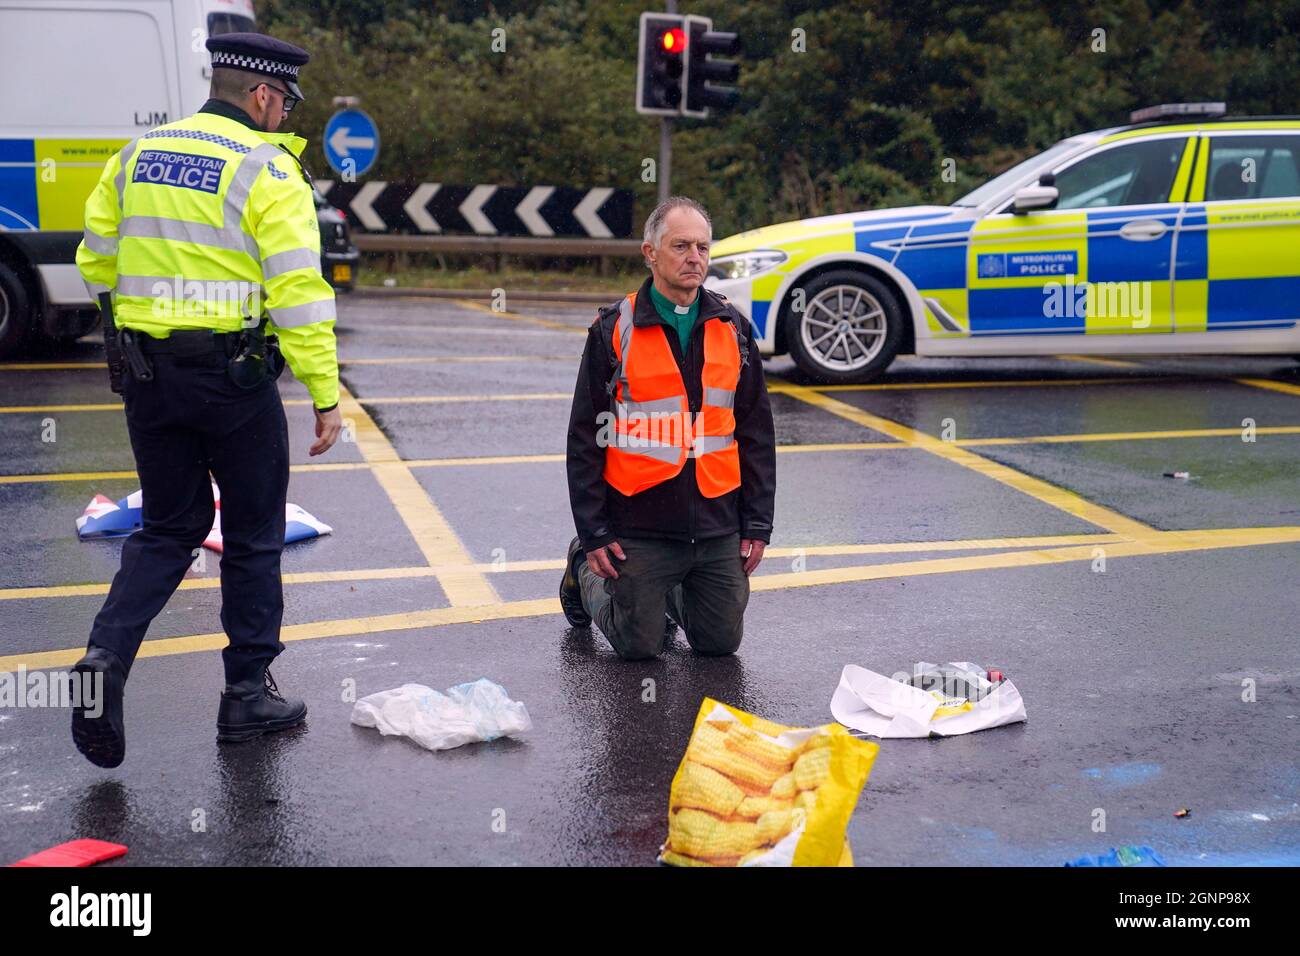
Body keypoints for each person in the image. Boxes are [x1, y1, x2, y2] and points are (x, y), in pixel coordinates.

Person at [70, 32, 342, 766]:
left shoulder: (135, 157)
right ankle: (247, 697)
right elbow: (297, 291)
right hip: (233, 381)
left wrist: (130, 337)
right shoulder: (267, 169)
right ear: (261, 95)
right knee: (252, 535)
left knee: (169, 526)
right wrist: (325, 393)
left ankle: (104, 658)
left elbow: (94, 257)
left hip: (149, 376)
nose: (283, 117)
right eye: (283, 103)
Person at [560, 196, 776, 660]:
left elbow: (756, 434)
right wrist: (595, 532)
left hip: (717, 524)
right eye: (680, 246)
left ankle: (673, 594)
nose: (694, 257)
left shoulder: (733, 328)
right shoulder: (613, 330)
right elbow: (585, 437)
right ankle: (583, 572)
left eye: (702, 246)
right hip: (641, 525)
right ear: (650, 253)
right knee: (639, 646)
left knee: (719, 645)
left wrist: (757, 523)